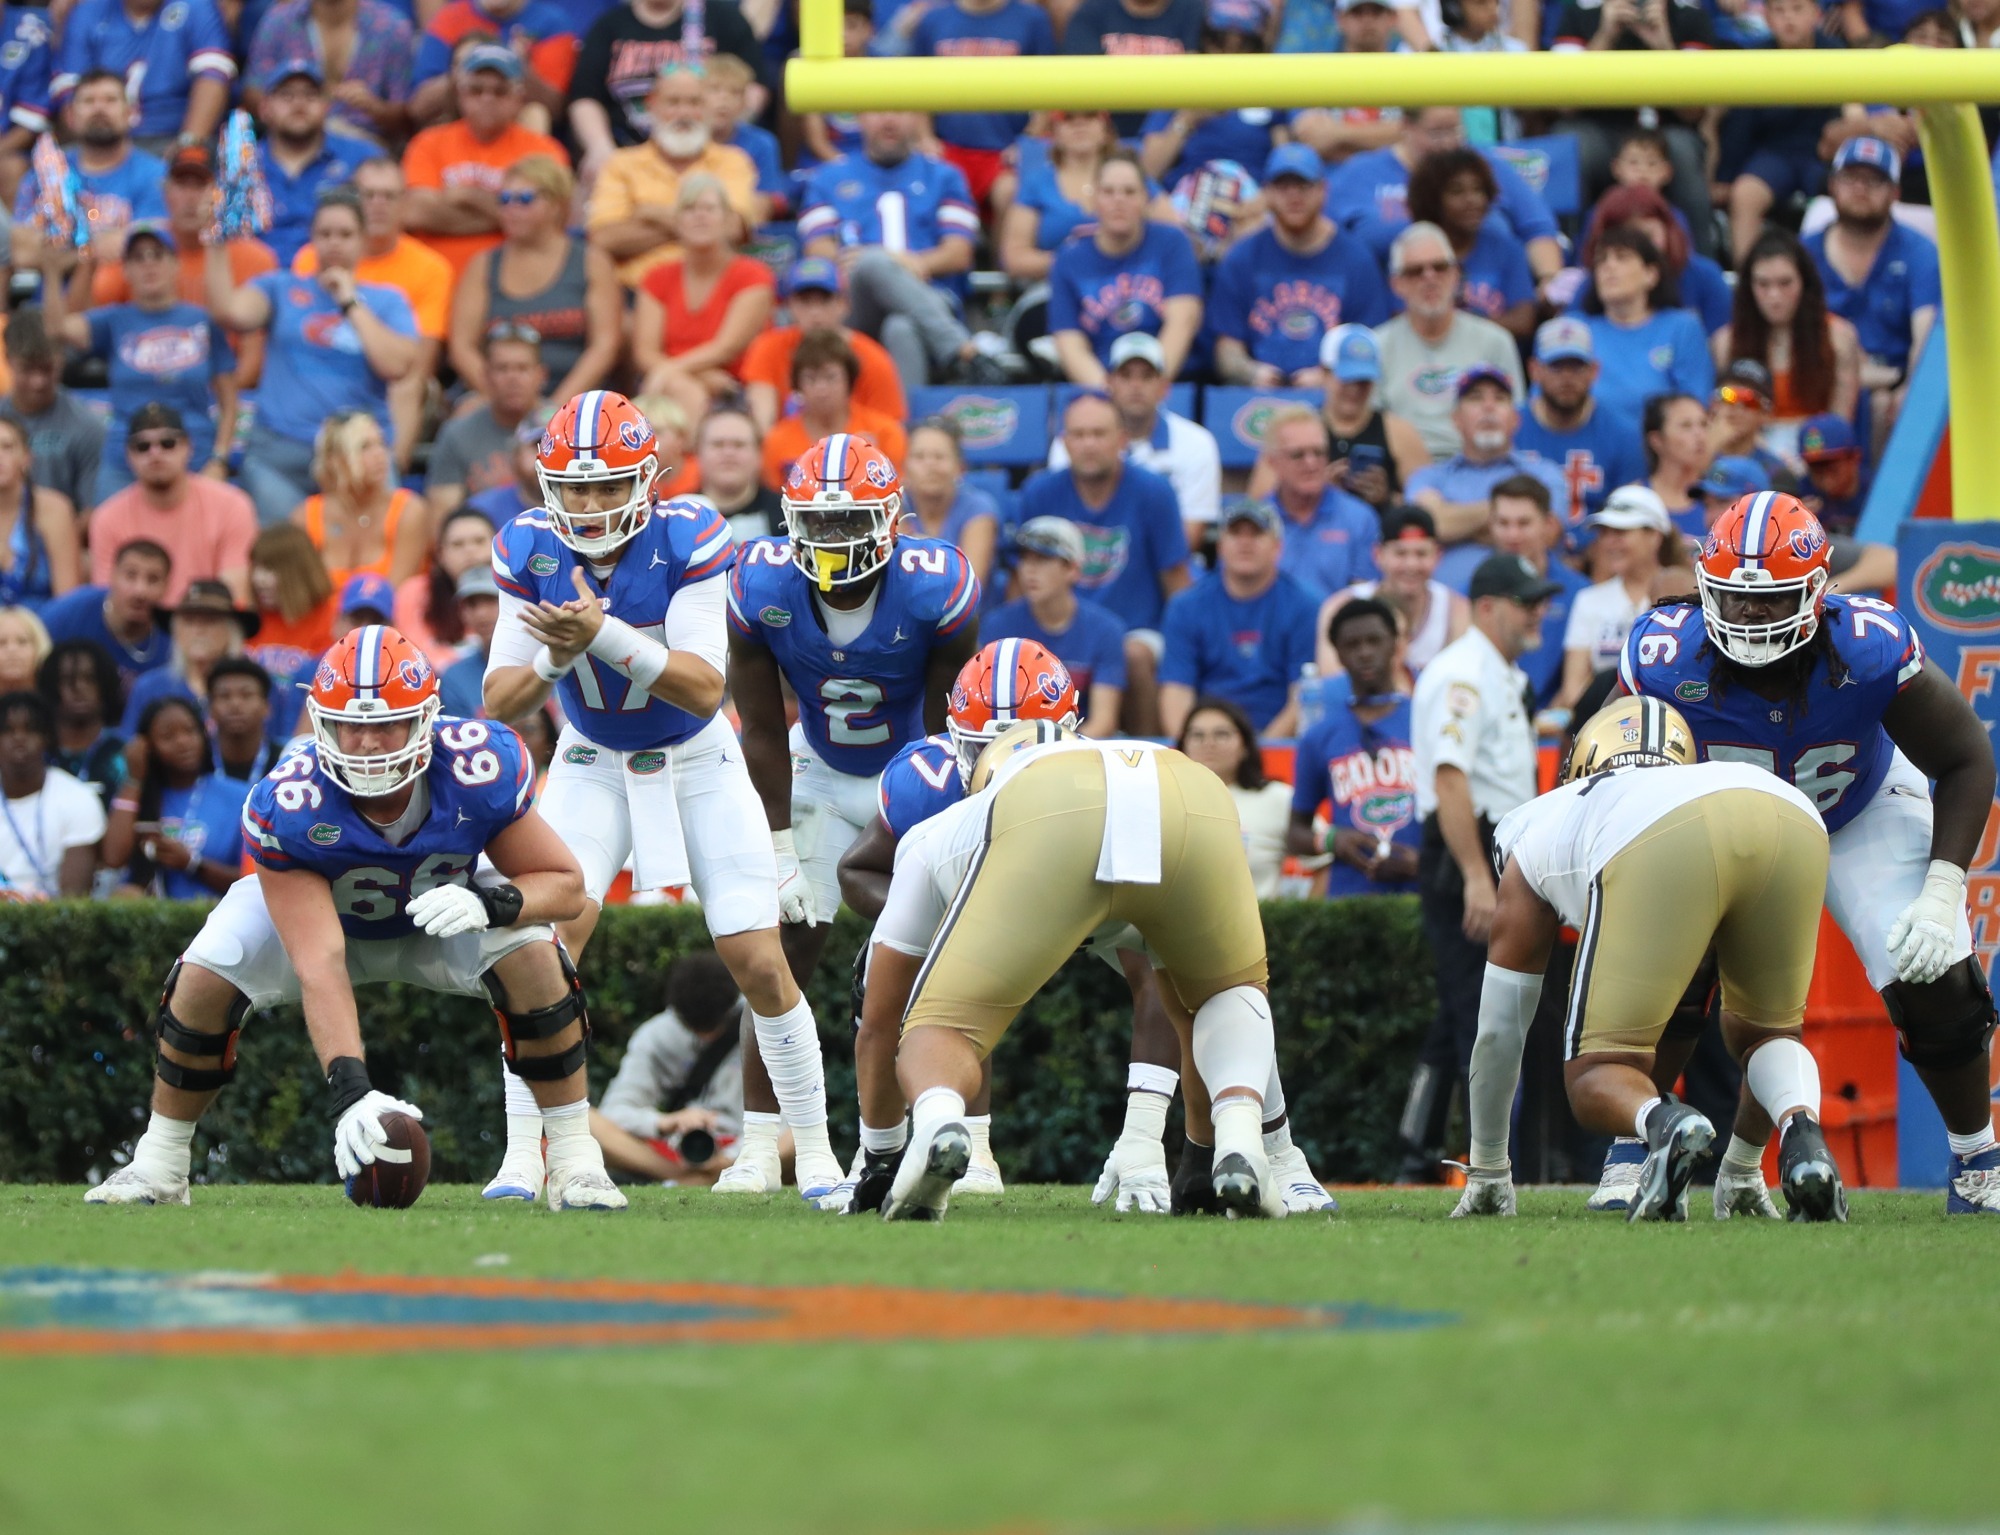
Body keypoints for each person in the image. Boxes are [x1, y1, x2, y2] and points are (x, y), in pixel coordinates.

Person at [86, 625, 623, 1210]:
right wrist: (351, 1090)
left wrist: (489, 904)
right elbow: (319, 962)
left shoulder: (478, 766)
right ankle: (160, 1162)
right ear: (321, 723)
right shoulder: (290, 802)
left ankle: (574, 1159)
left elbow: (565, 886)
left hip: (441, 917)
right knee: (208, 969)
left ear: (426, 720)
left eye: (388, 724)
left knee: (537, 955)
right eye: (351, 726)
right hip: (330, 925)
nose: (367, 744)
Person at [482, 390, 842, 1206]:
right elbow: (500, 700)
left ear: (646, 480)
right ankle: (533, 1152)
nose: (590, 504)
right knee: (539, 950)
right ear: (549, 486)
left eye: (609, 485)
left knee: (758, 957)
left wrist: (598, 634)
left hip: (696, 756)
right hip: (590, 758)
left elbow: (705, 685)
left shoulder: (689, 534)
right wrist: (554, 658)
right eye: (576, 488)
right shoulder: (528, 545)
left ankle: (817, 1150)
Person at [1619, 492, 2000, 1214]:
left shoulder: (1868, 645)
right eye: (1735, 596)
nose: (1750, 615)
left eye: (1771, 598)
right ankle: (1629, 1148)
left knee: (1934, 970)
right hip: (1725, 824)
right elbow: (1616, 759)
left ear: (1818, 592)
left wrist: (1943, 889)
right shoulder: (1664, 655)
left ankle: (1977, 1158)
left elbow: (1966, 757)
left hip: (1855, 807)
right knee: (1658, 971)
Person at [864, 722, 1284, 1221]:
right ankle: (1239, 1138)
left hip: (1042, 815)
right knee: (1228, 992)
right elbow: (1168, 997)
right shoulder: (1113, 763)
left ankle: (938, 1125)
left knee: (938, 1025)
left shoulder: (939, 830)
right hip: (1188, 786)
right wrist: (1191, 1149)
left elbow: (879, 1019)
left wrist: (879, 1158)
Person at [1452, 697, 1847, 1223]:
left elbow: (1501, 1028)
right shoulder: (1695, 781)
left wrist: (1487, 1168)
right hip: (1789, 811)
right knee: (1767, 1035)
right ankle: (1800, 1137)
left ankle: (1667, 1126)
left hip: (1656, 835)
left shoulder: (1538, 821)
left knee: (1596, 1072)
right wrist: (1741, 1166)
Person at [726, 431, 982, 1185]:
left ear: (892, 518)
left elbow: (945, 735)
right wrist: (778, 847)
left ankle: (977, 1142)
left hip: (911, 774)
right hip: (814, 766)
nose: (834, 537)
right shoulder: (761, 585)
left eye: (849, 519)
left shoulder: (936, 588)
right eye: (819, 521)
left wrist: (936, 817)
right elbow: (760, 728)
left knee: (950, 953)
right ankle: (758, 1144)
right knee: (780, 954)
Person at [1397, 552, 1551, 1181]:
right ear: (1487, 607)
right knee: (1485, 1017)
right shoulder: (1463, 674)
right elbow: (1450, 780)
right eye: (1526, 602)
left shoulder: (1501, 673)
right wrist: (1475, 878)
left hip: (1496, 848)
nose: (1538, 613)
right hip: (1472, 851)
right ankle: (1492, 1165)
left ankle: (1415, 1155)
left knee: (1458, 1015)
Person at [209, 189, 420, 526]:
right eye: (325, 234)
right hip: (279, 454)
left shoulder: (387, 301)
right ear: (312, 239)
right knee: (287, 551)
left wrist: (349, 301)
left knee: (377, 545)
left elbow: (396, 366)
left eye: (345, 234)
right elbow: (230, 313)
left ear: (363, 241)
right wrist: (216, 241)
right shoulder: (279, 288)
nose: (334, 243)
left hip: (358, 454)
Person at [1013, 391, 1192, 734]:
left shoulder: (1154, 492)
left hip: (1136, 628)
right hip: (1057, 625)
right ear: (1064, 442)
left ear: (1122, 439)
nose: (1089, 444)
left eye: (1098, 434)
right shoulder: (1039, 492)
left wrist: (1184, 649)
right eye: (1079, 435)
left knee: (1134, 654)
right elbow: (1019, 575)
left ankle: (1147, 749)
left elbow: (1177, 579)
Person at [797, 110, 995, 389]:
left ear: (917, 118)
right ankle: (963, 351)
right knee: (872, 263)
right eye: (878, 110)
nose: (889, 120)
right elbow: (817, 249)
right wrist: (886, 261)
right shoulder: (828, 178)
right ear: (860, 117)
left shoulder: (945, 176)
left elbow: (959, 253)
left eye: (899, 110)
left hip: (931, 293)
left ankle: (906, 414)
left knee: (900, 327)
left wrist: (904, 263)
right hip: (856, 302)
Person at [43, 227, 234, 494]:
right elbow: (56, 329)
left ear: (176, 264)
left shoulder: (203, 321)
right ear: (125, 270)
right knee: (105, 518)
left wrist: (219, 459)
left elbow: (230, 403)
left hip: (195, 455)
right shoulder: (113, 320)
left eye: (157, 254)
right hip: (126, 459)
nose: (148, 264)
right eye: (137, 257)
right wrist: (53, 273)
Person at [87, 144, 278, 392]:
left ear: (222, 193)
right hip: (145, 388)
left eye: (200, 185)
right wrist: (90, 253)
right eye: (181, 185)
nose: (190, 198)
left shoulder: (256, 259)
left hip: (223, 391)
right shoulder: (136, 250)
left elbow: (253, 361)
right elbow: (89, 322)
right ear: (165, 192)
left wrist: (211, 401)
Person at [1209, 143, 1391, 387]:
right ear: (1267, 193)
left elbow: (1370, 345)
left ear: (1323, 190)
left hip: (1334, 394)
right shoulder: (1242, 258)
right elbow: (1227, 349)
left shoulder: (1356, 260)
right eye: (1283, 187)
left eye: (1303, 186)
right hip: (1258, 395)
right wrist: (1251, 373)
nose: (1294, 196)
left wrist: (1330, 376)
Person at [447, 156, 621, 408]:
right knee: (465, 414)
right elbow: (462, 347)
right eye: (504, 199)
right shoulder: (482, 265)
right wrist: (504, 399)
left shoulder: (592, 262)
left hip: (575, 400)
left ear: (556, 205)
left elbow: (604, 346)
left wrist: (555, 408)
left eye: (525, 199)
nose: (511, 208)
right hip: (498, 402)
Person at [1324, 109, 1564, 281]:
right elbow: (1324, 236)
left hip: (1489, 300)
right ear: (1407, 127)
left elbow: (1537, 226)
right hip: (1393, 303)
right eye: (1437, 133)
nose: (1448, 144)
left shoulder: (1484, 166)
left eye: (1455, 131)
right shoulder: (1359, 173)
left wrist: (1549, 282)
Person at [1287, 596, 1420, 900]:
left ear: (1395, 644)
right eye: (1352, 644)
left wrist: (1424, 863)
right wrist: (1334, 840)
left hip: (1421, 895)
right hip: (1350, 898)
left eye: (1374, 641)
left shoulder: (1426, 721)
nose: (1365, 653)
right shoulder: (1319, 736)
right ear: (1338, 653)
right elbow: (1295, 833)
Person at [1806, 136, 1939, 439]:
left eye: (1874, 181)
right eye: (1850, 177)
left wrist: (1911, 390)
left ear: (1895, 193)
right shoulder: (1805, 253)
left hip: (1889, 388)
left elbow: (1926, 334)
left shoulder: (1920, 253)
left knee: (1885, 407)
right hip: (1819, 385)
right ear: (1832, 185)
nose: (1860, 189)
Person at [586, 62, 762, 291]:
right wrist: (700, 225)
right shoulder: (620, 164)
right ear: (652, 105)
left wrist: (653, 214)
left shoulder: (733, 161)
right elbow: (604, 239)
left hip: (714, 291)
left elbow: (731, 230)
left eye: (694, 103)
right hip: (635, 292)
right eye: (673, 102)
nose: (684, 113)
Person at [401, 45, 569, 284]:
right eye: (476, 90)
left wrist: (470, 196)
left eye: (500, 91)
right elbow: (417, 213)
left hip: (517, 280)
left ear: (519, 98)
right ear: (460, 95)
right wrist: (511, 215)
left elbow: (550, 221)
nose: (487, 99)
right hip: (437, 278)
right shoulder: (428, 143)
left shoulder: (543, 149)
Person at [1048, 332, 1222, 550]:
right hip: (1088, 559)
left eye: (1147, 376)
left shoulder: (1197, 443)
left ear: (1164, 387)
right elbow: (1062, 523)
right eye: (1126, 375)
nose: (1136, 385)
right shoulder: (1071, 440)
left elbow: (1191, 536)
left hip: (1164, 564)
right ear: (1109, 383)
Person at [1159, 499, 1319, 738]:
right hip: (1207, 740)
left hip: (1279, 740)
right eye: (1235, 533)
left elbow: (1303, 696)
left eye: (1256, 534)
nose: (1245, 543)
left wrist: (1260, 751)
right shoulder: (1185, 607)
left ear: (1277, 547)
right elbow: (1177, 693)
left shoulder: (1306, 606)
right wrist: (1192, 746)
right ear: (1220, 546)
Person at [590, 950, 750, 1186]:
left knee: (795, 1133)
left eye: (713, 1028)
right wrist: (664, 1122)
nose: (705, 1037)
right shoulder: (657, 1035)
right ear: (677, 1013)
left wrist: (730, 1157)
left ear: (731, 1010)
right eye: (693, 1028)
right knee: (585, 1120)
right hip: (673, 1155)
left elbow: (788, 1121)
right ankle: (687, 1179)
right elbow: (613, 1112)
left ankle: (701, 1178)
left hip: (745, 1149)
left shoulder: (760, 1025)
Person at [1404, 365, 1569, 590]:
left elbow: (1546, 535)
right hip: (1447, 604)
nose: (1488, 407)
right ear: (1456, 419)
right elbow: (1433, 525)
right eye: (1476, 398)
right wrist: (1514, 519)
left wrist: (1457, 524)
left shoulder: (1544, 473)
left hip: (1524, 599)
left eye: (1499, 398)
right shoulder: (1429, 477)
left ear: (1516, 419)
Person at [1049, 148, 1203, 387]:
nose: (1118, 200)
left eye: (1129, 192)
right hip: (1100, 384)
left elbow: (1183, 321)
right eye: (1108, 192)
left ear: (1146, 199)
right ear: (1093, 199)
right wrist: (1109, 392)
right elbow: (1069, 343)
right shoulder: (1069, 258)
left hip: (1167, 384)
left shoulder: (1173, 243)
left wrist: (1150, 387)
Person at [632, 175, 776, 428]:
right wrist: (695, 375)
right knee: (680, 387)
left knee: (678, 385)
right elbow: (645, 352)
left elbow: (726, 348)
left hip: (736, 385)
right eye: (689, 209)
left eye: (709, 208)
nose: (700, 216)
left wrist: (669, 370)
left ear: (728, 220)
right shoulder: (656, 278)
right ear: (677, 222)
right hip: (676, 385)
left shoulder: (753, 275)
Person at [1373, 222, 1524, 461]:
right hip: (1402, 467)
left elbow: (1514, 421)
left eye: (1440, 267)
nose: (1430, 277)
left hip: (1480, 464)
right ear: (1396, 284)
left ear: (1456, 275)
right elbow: (1371, 427)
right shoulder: (1377, 346)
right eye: (1416, 271)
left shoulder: (1496, 342)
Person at [85, 405, 254, 606]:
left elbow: (233, 595)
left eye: (167, 443)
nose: (155, 454)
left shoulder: (232, 506)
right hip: (138, 622)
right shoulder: (107, 518)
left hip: (208, 618)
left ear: (188, 447)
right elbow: (109, 599)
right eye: (143, 446)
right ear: (129, 456)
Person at [568, 0, 765, 171]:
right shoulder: (609, 25)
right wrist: (600, 147)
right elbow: (585, 96)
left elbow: (752, 86)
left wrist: (729, 134)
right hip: (627, 151)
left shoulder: (723, 19)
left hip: (710, 150)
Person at [9, 71, 166, 274]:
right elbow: (22, 253)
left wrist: (61, 251)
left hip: (124, 291)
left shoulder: (156, 175)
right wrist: (94, 249)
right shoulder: (45, 172)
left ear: (130, 112)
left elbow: (151, 243)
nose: (99, 109)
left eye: (110, 100)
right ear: (70, 116)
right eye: (89, 101)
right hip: (54, 293)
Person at [983, 518, 1127, 734]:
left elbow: (1103, 721)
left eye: (1043, 559)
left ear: (1072, 569)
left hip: (1080, 747)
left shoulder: (1106, 630)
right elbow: (986, 709)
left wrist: (1058, 750)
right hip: (1011, 744)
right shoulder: (997, 626)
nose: (1030, 570)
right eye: (1024, 558)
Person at [998, 110, 1173, 283]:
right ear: (1054, 130)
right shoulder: (1036, 184)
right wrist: (1076, 260)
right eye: (1067, 117)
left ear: (1105, 127)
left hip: (1134, 286)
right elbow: (1014, 257)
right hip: (1054, 287)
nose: (1079, 123)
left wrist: (1128, 259)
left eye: (1090, 115)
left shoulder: (1129, 176)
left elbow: (1174, 233)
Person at [1716, 229, 1861, 437]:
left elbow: (1839, 426)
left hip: (1816, 447)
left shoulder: (1839, 338)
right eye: (1763, 284)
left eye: (1785, 283)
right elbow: (1725, 415)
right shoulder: (1726, 343)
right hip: (1751, 448)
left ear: (1804, 283)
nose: (1774, 296)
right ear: (1749, 288)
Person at [910, 0, 1053, 211]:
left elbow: (1048, 86)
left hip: (1005, 150)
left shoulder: (1032, 19)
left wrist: (1028, 140)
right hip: (948, 147)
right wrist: (925, 137)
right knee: (928, 192)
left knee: (1011, 193)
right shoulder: (933, 20)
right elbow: (916, 86)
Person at [103, 694, 248, 899]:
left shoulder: (240, 796)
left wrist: (193, 864)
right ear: (148, 746)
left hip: (216, 911)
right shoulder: (138, 795)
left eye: (190, 731)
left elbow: (253, 880)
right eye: (168, 736)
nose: (182, 742)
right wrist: (134, 779)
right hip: (152, 913)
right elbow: (113, 858)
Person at [740, 259, 908, 434]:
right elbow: (761, 421)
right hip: (790, 447)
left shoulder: (872, 358)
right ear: (790, 306)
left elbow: (890, 431)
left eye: (825, 301)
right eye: (805, 301)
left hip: (854, 447)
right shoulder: (769, 347)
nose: (815, 312)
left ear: (844, 304)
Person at [1515, 317, 1646, 530]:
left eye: (1577, 367)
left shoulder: (1624, 435)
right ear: (1534, 371)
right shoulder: (1511, 428)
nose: (1567, 378)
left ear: (1594, 371)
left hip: (1599, 546)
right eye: (1556, 367)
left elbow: (1630, 520)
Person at [52, 0, 231, 152]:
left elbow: (213, 77)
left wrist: (188, 144)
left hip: (172, 136)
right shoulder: (89, 12)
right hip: (107, 141)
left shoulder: (195, 6)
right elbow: (71, 97)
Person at [1558, 485, 1677, 709]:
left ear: (1654, 536)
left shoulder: (1682, 594)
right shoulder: (1588, 600)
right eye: (1604, 533)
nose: (1609, 542)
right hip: (1604, 718)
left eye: (1620, 532)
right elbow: (1573, 691)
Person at [1580, 227, 1715, 423]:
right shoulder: (1578, 328)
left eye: (1622, 257)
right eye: (1601, 260)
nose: (1608, 266)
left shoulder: (1682, 327)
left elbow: (1695, 405)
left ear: (1650, 274)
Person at [1317, 504, 1468, 678]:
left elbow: (1463, 678)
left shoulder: (1455, 609)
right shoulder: (1340, 607)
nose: (1411, 565)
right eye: (1400, 554)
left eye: (1421, 554)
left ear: (1437, 556)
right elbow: (1332, 680)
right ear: (1378, 555)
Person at [1405, 148, 1537, 341]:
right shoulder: (1412, 250)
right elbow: (1400, 318)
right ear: (1432, 199)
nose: (1472, 200)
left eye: (1478, 190)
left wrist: (1460, 330)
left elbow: (1523, 321)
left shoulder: (1508, 249)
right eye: (1457, 191)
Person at [252, 61, 375, 267]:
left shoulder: (362, 158)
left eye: (310, 95)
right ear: (265, 108)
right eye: (286, 96)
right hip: (257, 279)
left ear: (327, 107)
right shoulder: (240, 165)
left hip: (336, 275)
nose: (299, 104)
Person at [1572, 184, 1734, 338]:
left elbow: (1724, 344)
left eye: (1648, 236)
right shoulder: (1595, 283)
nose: (1641, 248)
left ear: (1669, 231)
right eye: (1624, 245)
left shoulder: (1704, 277)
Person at [244, 0, 414, 145]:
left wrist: (374, 107)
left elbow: (405, 118)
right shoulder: (279, 21)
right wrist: (291, 104)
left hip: (364, 147)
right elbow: (253, 92)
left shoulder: (392, 27)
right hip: (290, 142)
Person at [294, 410, 431, 588]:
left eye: (381, 444)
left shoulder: (409, 511)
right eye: (364, 447)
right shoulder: (304, 518)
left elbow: (396, 592)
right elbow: (300, 594)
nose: (379, 454)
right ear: (333, 460)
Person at [759, 329, 909, 490]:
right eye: (810, 378)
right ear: (797, 384)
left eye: (831, 377)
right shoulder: (777, 441)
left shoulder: (885, 433)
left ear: (849, 380)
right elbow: (773, 499)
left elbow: (899, 494)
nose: (821, 389)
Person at [1258, 407, 1379, 605]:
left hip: (1338, 622)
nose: (1311, 463)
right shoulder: (1256, 522)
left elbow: (1365, 598)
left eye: (1319, 452)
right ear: (1273, 462)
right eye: (1298, 455)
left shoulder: (1359, 518)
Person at [1177, 695, 1294, 899]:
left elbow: (1323, 859)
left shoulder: (1277, 798)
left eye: (1221, 734)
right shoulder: (1164, 800)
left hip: (1262, 917)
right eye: (1197, 735)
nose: (1209, 744)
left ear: (1245, 746)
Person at [1488, 476, 1588, 713]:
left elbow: (1584, 677)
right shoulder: (1474, 591)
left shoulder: (1581, 593)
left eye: (1523, 523)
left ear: (1549, 524)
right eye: (1503, 523)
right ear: (1490, 525)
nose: (1512, 535)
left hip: (1560, 723)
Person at [427, 327, 547, 519]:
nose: (513, 378)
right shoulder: (458, 434)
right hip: (484, 535)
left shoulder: (566, 429)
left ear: (541, 375)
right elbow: (443, 519)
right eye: (502, 369)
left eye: (522, 368)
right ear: (486, 375)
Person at [0, 688, 103, 898]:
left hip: (51, 913)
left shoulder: (78, 798)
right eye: (8, 730)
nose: (19, 738)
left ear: (47, 737)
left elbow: (73, 898)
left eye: (30, 730)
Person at [1, 309, 106, 515]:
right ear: (8, 360)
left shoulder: (88, 426)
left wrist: (59, 531)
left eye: (47, 369)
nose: (38, 382)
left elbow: (91, 511)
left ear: (62, 359)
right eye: (27, 369)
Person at [120, 580, 255, 736]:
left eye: (210, 621)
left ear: (231, 630)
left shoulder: (254, 688)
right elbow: (130, 745)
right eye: (189, 621)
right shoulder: (149, 688)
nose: (198, 630)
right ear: (176, 630)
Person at [41, 536, 172, 696]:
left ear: (167, 586)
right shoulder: (72, 612)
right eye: (130, 575)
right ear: (113, 575)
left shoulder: (174, 635)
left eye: (153, 580)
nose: (140, 591)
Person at [1058, 0, 1204, 138]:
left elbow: (1197, 81)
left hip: (1173, 132)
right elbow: (1082, 80)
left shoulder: (1192, 9)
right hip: (1106, 133)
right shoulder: (1093, 9)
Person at [901, 417, 998, 592]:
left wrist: (925, 550)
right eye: (919, 456)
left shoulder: (978, 508)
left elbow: (969, 587)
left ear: (960, 467)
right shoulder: (892, 506)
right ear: (905, 466)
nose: (930, 465)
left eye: (940, 457)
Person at [394, 507, 493, 668]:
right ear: (440, 554)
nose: (470, 551)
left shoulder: (517, 591)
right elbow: (411, 654)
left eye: (479, 541)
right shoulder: (414, 593)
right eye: (457, 544)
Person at [0, 413, 78, 609]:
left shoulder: (55, 509)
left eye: (7, 447)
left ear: (27, 458)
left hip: (43, 624)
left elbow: (67, 601)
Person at [244, 525, 336, 689]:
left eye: (269, 569)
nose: (258, 579)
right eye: (256, 567)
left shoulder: (331, 621)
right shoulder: (245, 618)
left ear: (299, 572)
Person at [39, 638, 126, 806]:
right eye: (67, 679)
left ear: (106, 683)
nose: (79, 687)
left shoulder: (125, 754)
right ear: (51, 686)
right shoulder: (35, 753)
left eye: (90, 679)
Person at [691, 406, 783, 543]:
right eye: (718, 444)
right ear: (698, 452)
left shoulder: (787, 515)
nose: (728, 453)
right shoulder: (677, 515)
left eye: (739, 445)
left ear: (759, 454)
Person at [1708, 358, 1794, 488]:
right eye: (1728, 395)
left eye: (1748, 400)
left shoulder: (1775, 473)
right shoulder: (1689, 462)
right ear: (1714, 404)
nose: (1736, 408)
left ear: (1766, 414)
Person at [438, 566, 499, 720]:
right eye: (472, 604)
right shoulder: (455, 677)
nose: (481, 613)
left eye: (491, 600)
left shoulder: (545, 655)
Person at [206, 656, 280, 779]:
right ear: (210, 708)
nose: (235, 704)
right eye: (224, 696)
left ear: (266, 707)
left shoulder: (285, 762)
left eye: (247, 695)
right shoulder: (194, 763)